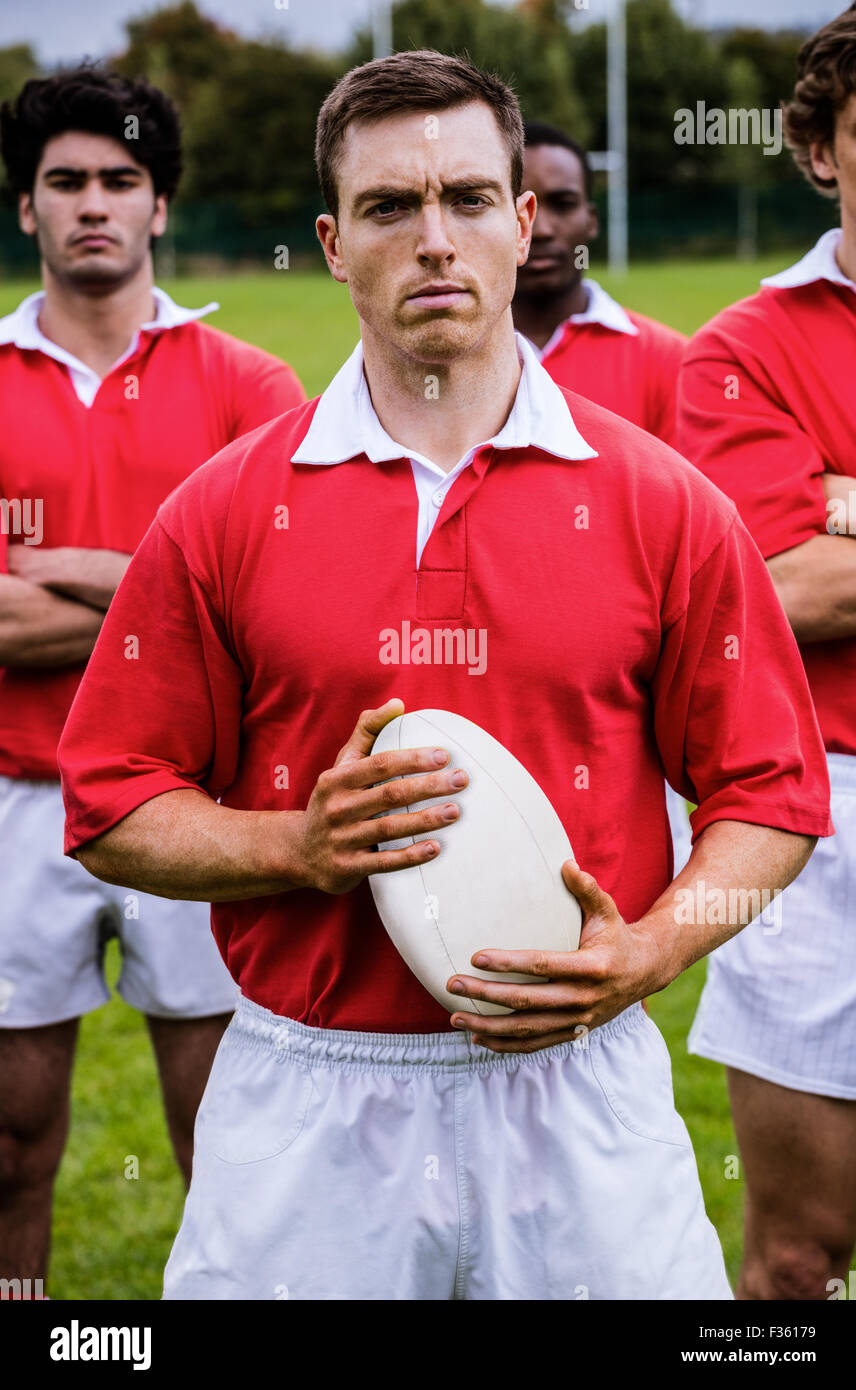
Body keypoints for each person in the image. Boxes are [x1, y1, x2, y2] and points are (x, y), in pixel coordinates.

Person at [58, 50, 830, 1301]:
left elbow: (773, 798)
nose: (433, 238)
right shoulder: (225, 511)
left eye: (468, 198)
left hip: (581, 1096)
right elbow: (108, 798)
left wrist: (647, 951)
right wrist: (291, 846)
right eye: (386, 206)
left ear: (524, 225)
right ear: (327, 241)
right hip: (311, 1100)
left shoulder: (660, 502)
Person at [0, 65, 305, 1295]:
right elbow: (196, 605)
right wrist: (159, 588)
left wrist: (64, 571)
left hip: (194, 803)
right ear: (25, 207)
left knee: (225, 1138)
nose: (92, 205)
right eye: (64, 181)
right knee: (11, 1144)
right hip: (15, 798)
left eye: (119, 180)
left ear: (160, 205)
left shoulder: (248, 386)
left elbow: (272, 611)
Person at [677, 2, 856, 1301]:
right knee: (796, 1258)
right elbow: (783, 594)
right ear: (817, 151)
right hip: (821, 817)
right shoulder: (740, 349)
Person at [512, 119, 693, 875]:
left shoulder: (668, 360)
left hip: (612, 708)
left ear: (591, 216)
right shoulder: (435, 365)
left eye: (566, 203)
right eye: (530, 203)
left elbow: (692, 551)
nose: (548, 226)